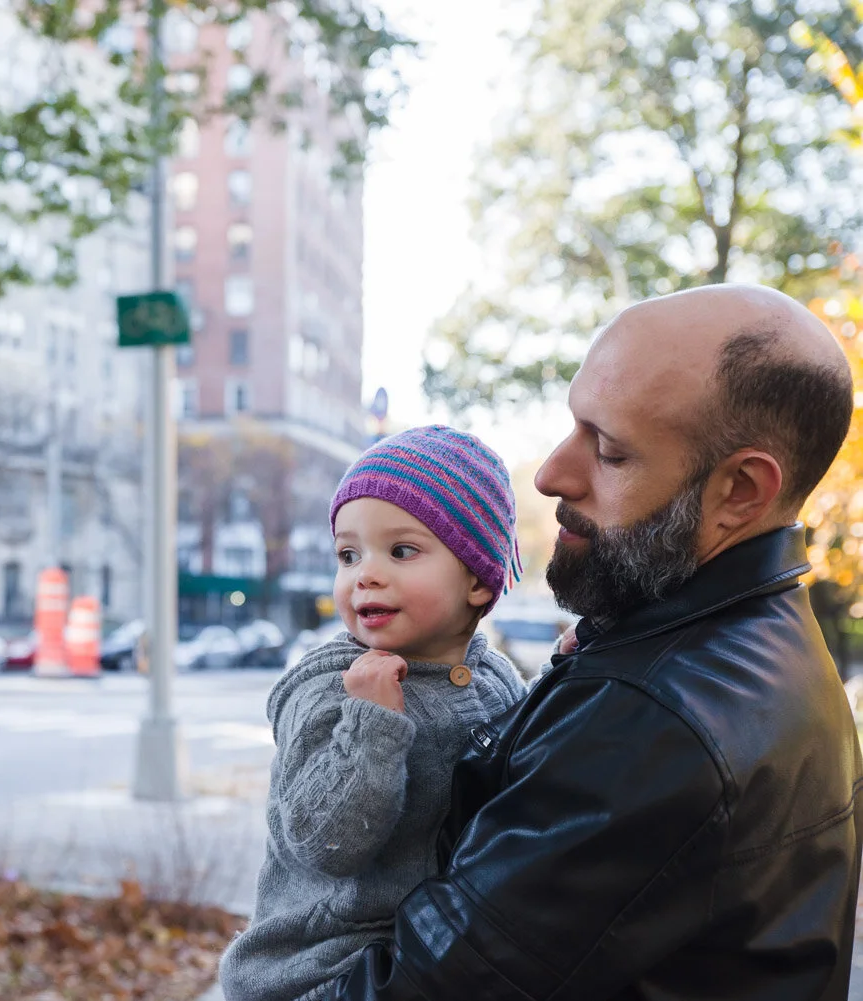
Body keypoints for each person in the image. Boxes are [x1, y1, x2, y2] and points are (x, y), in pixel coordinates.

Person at [338, 284, 863, 1000]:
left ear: (741, 489)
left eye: (610, 451)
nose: (552, 473)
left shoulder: (655, 722)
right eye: (573, 425)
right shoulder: (770, 637)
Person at [220, 426, 528, 1001]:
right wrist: (371, 726)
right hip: (320, 972)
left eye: (402, 550)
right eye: (347, 554)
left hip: (435, 953)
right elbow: (324, 844)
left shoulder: (499, 679)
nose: (365, 573)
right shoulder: (329, 688)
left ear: (479, 579)